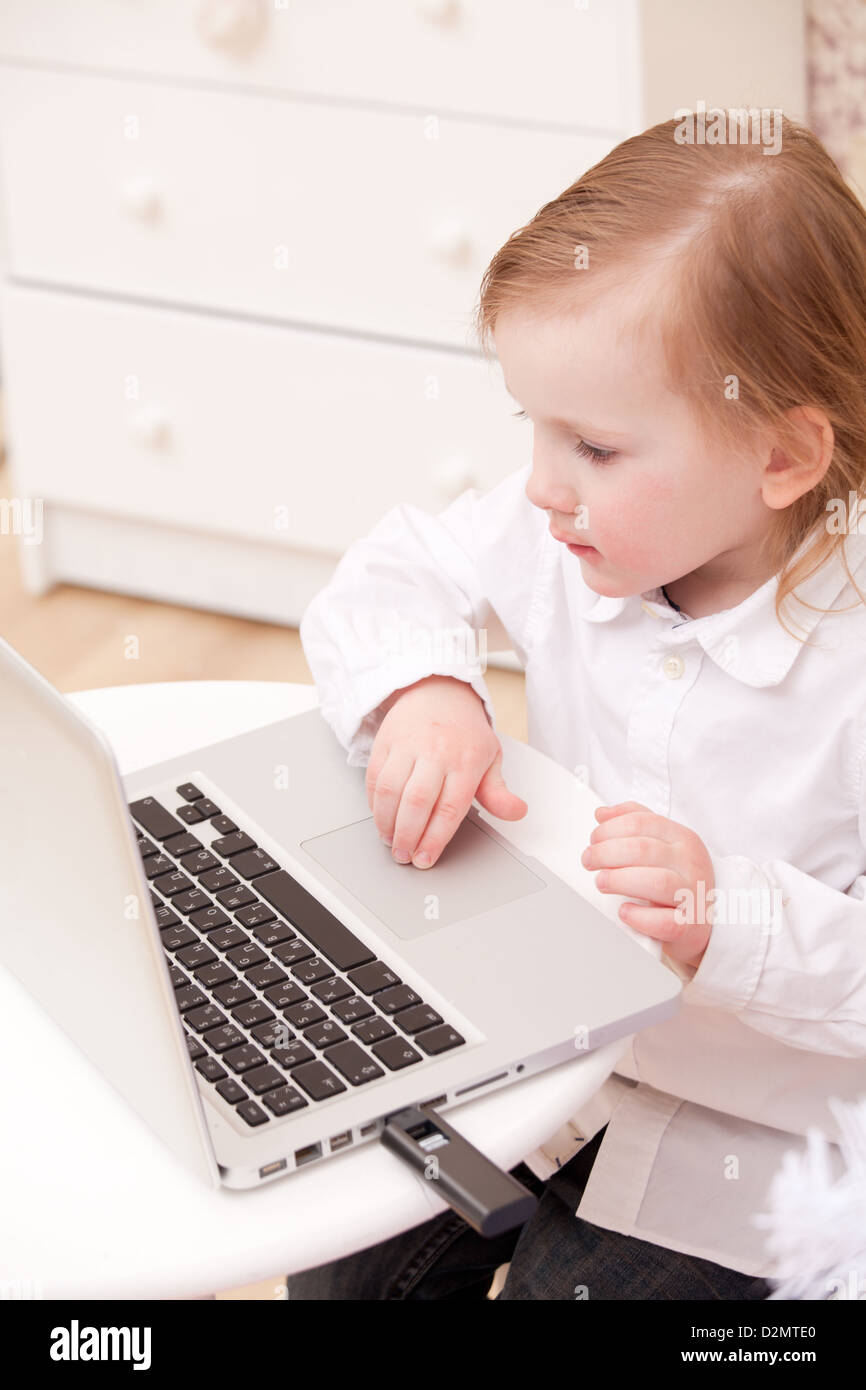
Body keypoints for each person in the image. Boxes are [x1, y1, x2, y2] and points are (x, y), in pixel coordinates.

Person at [290, 113, 866, 1298]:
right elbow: (395, 575)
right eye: (530, 428)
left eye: (593, 447)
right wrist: (426, 688)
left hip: (755, 1138)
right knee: (344, 1256)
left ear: (780, 460)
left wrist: (728, 921)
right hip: (540, 1052)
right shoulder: (570, 523)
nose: (543, 485)